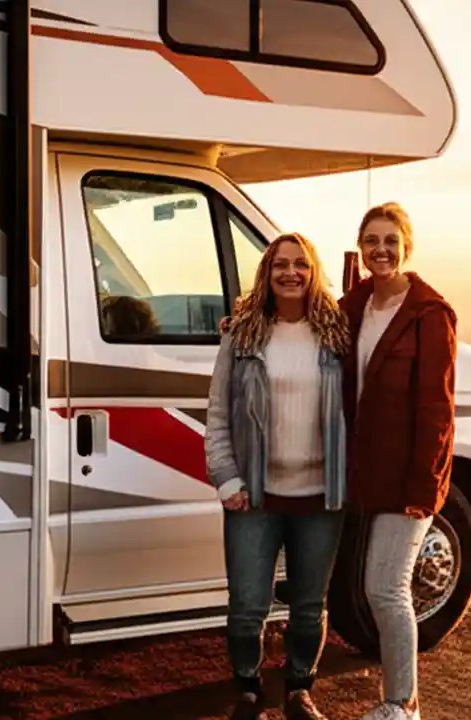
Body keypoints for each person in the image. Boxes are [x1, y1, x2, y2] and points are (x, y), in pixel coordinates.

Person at [204, 232, 352, 720]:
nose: (291, 273)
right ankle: (247, 688)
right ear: (266, 274)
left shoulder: (336, 336)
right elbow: (218, 415)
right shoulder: (240, 335)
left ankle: (298, 690)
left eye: (301, 265)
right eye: (280, 265)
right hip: (255, 496)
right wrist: (227, 479)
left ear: (314, 273)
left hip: (320, 497)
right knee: (248, 605)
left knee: (310, 605)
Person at [339, 202, 457, 720]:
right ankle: (400, 702)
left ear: (406, 247)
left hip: (407, 480)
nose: (380, 250)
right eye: (372, 241)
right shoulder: (355, 303)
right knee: (364, 588)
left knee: (385, 590)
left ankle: (401, 705)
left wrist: (422, 490)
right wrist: (243, 319)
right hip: (360, 474)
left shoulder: (430, 314)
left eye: (391, 240)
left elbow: (438, 409)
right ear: (360, 248)